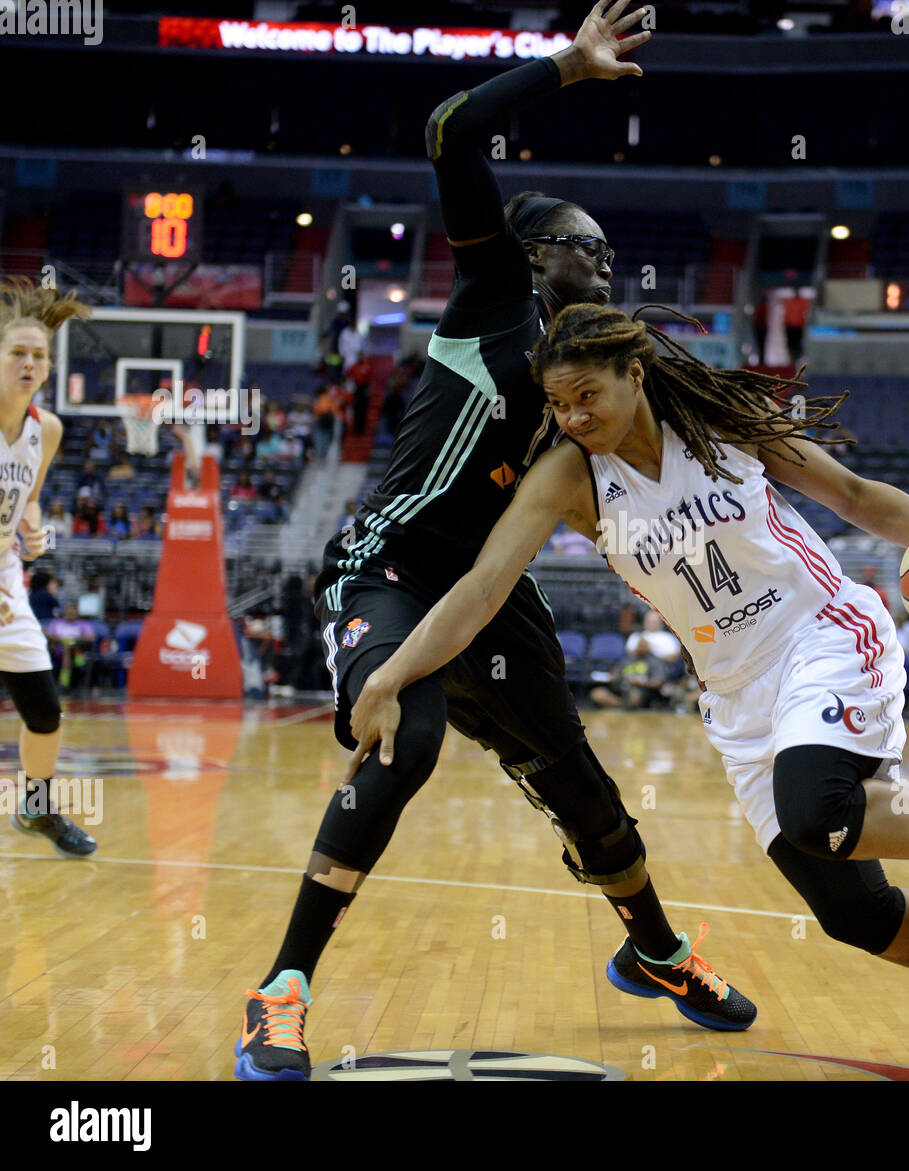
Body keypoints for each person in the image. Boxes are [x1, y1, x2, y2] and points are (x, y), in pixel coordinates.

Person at [348, 302, 909, 1077]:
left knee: (817, 810)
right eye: (558, 403)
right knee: (858, 914)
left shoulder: (721, 421)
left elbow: (853, 496)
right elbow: (484, 587)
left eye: (589, 394)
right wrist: (388, 673)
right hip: (736, 693)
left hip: (820, 633)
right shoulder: (569, 475)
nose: (574, 415)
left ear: (635, 373)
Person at [235, 4, 755, 1084]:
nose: (605, 269)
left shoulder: (600, 376)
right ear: (533, 251)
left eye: (613, 258)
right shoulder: (493, 297)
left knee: (585, 792)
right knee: (403, 739)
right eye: (588, 250)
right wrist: (567, 67)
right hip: (393, 568)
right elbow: (449, 131)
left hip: (494, 590)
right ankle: (278, 991)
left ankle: (654, 950)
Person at [0, 277, 97, 857]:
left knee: (44, 710)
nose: (30, 362)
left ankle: (35, 811)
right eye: (18, 352)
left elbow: (28, 497)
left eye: (39, 355)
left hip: (7, 584)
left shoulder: (47, 429)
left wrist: (33, 527)